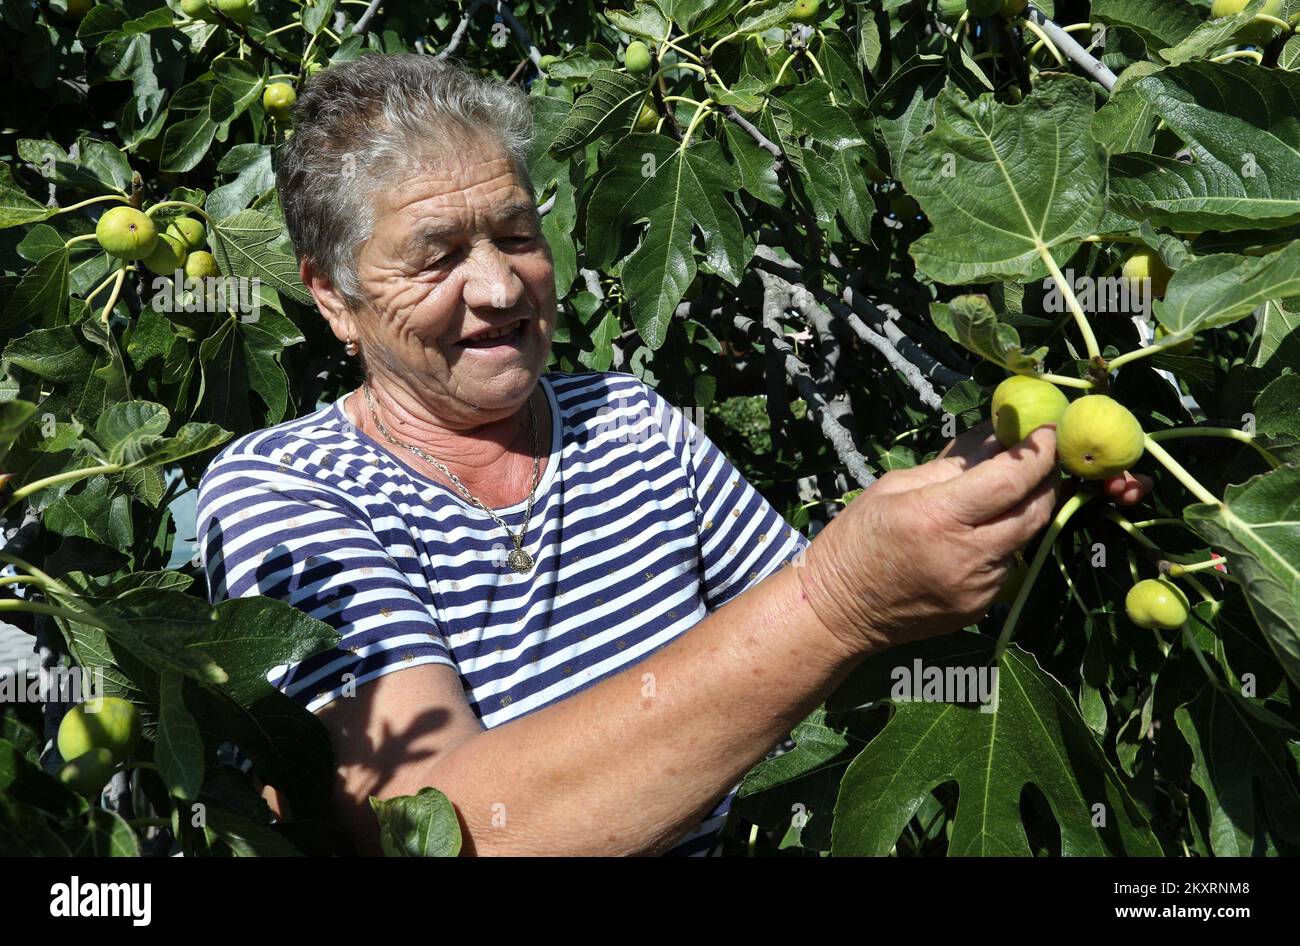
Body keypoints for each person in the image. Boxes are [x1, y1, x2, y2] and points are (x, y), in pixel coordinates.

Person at [195, 54, 1151, 856]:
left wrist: (988, 486)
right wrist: (838, 604)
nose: (497, 286)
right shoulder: (285, 493)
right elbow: (436, 830)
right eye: (437, 255)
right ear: (331, 296)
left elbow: (820, 658)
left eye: (518, 236)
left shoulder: (627, 421)